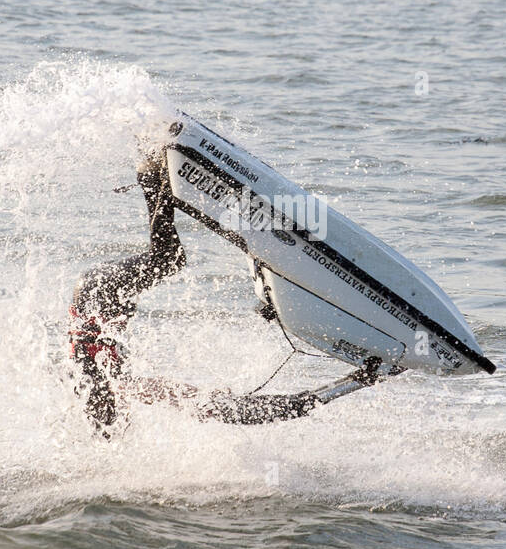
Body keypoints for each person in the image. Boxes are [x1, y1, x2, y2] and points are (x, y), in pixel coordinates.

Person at [66, 146, 382, 436]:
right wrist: (346, 387)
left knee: (168, 259)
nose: (127, 419)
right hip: (92, 297)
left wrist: (345, 386)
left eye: (120, 419)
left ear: (109, 408)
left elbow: (235, 412)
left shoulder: (121, 386)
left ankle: (154, 173)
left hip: (99, 295)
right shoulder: (94, 381)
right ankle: (156, 175)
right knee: (168, 260)